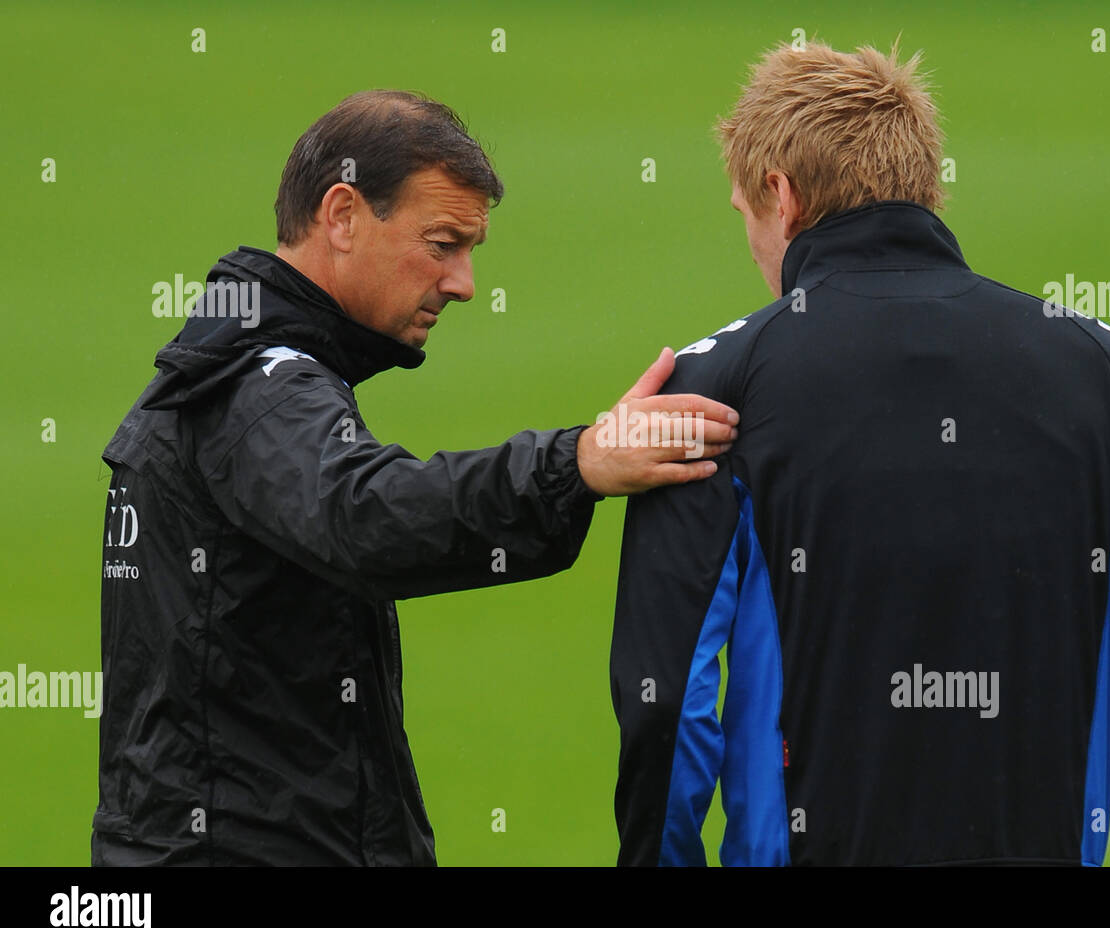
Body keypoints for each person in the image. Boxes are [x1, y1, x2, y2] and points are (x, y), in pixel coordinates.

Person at [609, 43, 1110, 866]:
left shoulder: (711, 390)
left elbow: (664, 699)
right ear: (926, 184)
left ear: (780, 194)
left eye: (745, 213)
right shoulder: (1097, 366)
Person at [94, 90, 738, 866]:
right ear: (342, 216)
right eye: (442, 243)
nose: (463, 282)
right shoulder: (259, 385)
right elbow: (365, 516)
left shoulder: (230, 364)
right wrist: (575, 465)